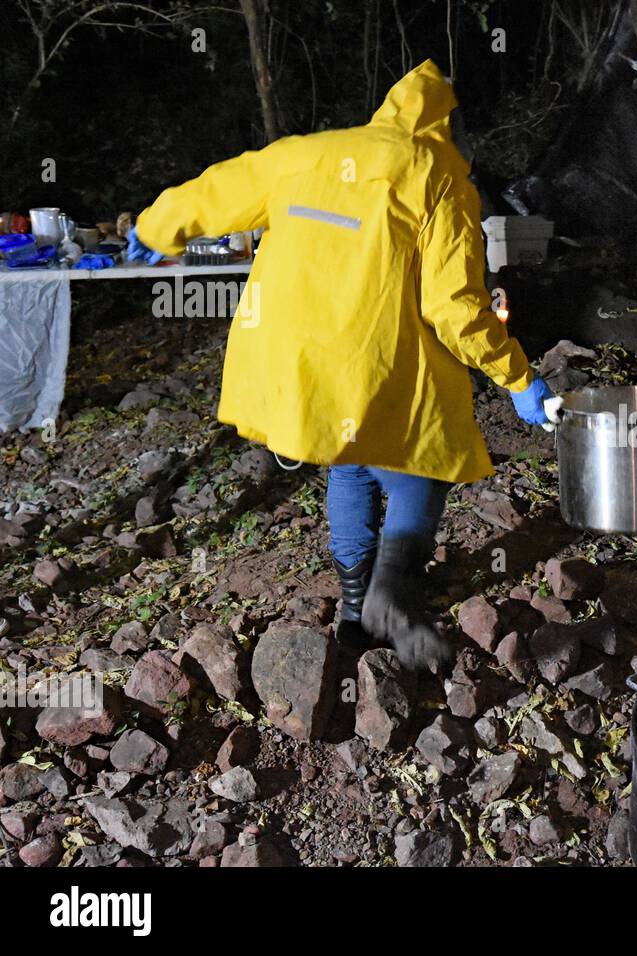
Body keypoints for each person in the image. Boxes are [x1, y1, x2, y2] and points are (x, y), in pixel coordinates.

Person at [128, 61, 552, 671]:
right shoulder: (438, 176)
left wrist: (156, 226)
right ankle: (394, 589)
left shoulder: (309, 152)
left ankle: (355, 615)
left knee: (350, 464)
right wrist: (517, 377)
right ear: (447, 125)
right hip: (372, 357)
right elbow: (453, 306)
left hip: (295, 359)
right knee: (417, 467)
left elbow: (218, 188)